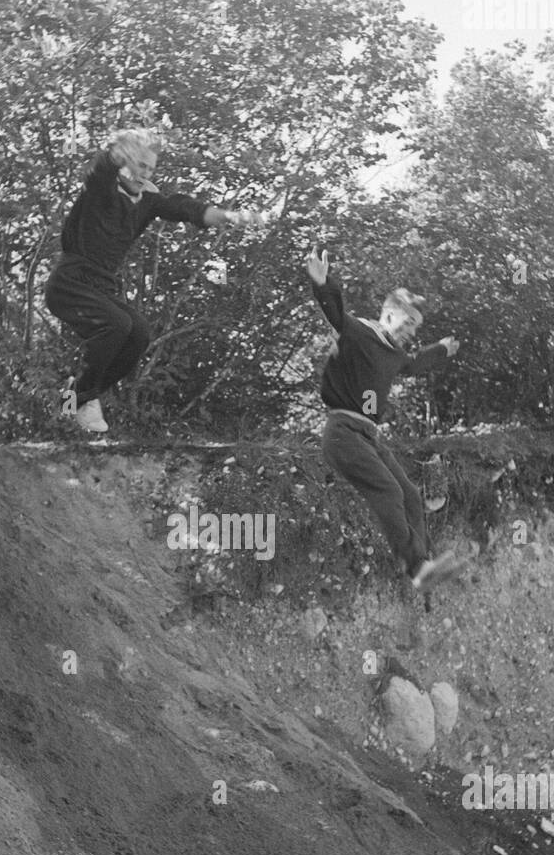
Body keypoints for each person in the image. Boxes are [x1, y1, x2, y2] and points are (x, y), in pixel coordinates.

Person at [45, 125, 265, 433]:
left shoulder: (148, 200)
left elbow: (185, 208)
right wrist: (114, 156)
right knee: (117, 326)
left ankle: (75, 397)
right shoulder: (101, 191)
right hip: (70, 283)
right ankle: (82, 397)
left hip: (103, 287)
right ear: (123, 164)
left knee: (139, 335)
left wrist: (226, 217)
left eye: (149, 169)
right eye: (138, 166)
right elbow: (99, 171)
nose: (143, 174)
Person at [305, 244, 467, 597]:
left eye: (415, 327)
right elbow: (335, 313)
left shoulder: (393, 353)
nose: (410, 331)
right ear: (390, 315)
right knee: (389, 490)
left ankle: (422, 566)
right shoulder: (358, 331)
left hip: (368, 436)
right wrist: (323, 283)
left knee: (409, 494)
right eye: (408, 322)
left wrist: (441, 350)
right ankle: (415, 567)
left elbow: (411, 365)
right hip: (342, 433)